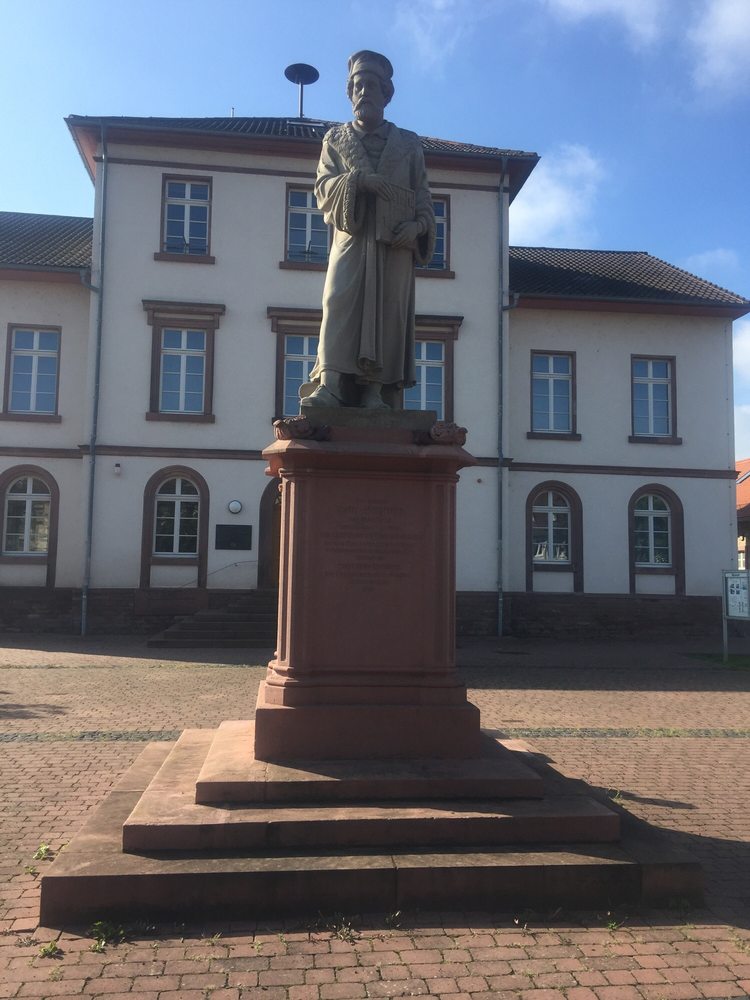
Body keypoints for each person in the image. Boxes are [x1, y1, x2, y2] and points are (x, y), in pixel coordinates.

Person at [300, 51, 436, 410]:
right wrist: (360, 182)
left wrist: (417, 226)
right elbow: (323, 187)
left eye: (372, 86)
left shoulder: (409, 144)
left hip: (395, 247)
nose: (364, 92)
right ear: (350, 92)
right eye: (358, 86)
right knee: (338, 302)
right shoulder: (335, 139)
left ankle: (376, 390)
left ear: (386, 94)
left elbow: (423, 199)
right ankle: (330, 384)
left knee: (389, 313)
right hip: (352, 239)